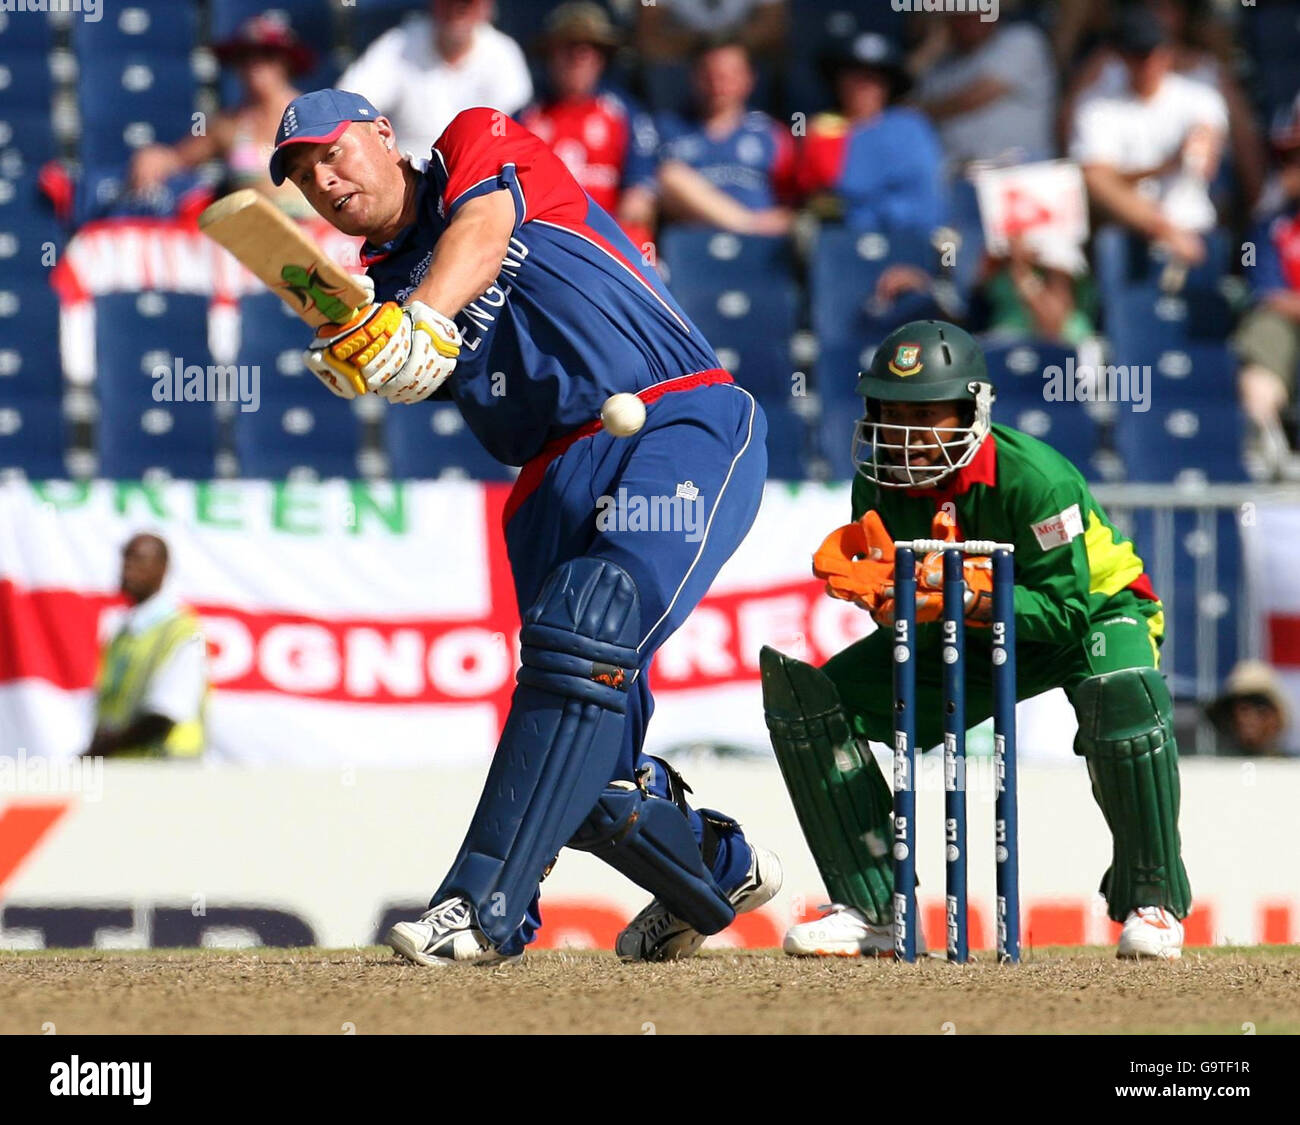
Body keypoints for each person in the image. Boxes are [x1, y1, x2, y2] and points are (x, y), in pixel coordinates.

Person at [268, 89, 779, 965]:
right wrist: (373, 353)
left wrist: (420, 321)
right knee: (581, 768)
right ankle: (717, 867)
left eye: (333, 150)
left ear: (384, 136)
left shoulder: (476, 139)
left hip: (675, 416)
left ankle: (478, 906)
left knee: (593, 619)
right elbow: (425, 373)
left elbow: (482, 229)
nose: (324, 176)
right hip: (549, 475)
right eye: (303, 172)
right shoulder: (386, 288)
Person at [762, 320, 1191, 961]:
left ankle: (1151, 901)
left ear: (972, 411)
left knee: (1123, 693)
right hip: (964, 630)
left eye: (925, 414)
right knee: (810, 701)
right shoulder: (877, 480)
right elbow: (906, 605)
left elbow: (1065, 612)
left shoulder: (1035, 479)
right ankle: (876, 910)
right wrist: (887, 599)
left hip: (1092, 617)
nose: (904, 435)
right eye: (891, 413)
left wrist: (965, 592)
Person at [1068, 6, 1227, 269]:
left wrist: (1194, 151)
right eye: (1138, 55)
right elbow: (1096, 179)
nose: (1149, 62)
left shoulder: (1201, 98)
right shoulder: (1096, 108)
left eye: (1155, 52)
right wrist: (1162, 223)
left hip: (1195, 228)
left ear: (1168, 51)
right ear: (1121, 57)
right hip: (1127, 236)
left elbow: (1203, 162)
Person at [126, 12, 314, 217]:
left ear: (285, 61)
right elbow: (178, 157)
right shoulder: (227, 124)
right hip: (252, 234)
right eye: (244, 57)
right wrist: (151, 157)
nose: (254, 65)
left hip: (315, 231)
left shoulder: (313, 114)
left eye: (266, 55)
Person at [519, 3, 658, 253]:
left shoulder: (626, 113)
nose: (578, 57)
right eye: (567, 47)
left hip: (608, 246)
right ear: (549, 54)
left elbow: (639, 201)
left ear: (602, 58)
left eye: (589, 48)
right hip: (541, 246)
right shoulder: (524, 119)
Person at [337, 0, 532, 165]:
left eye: (466, 3)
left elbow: (515, 131)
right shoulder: (399, 45)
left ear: (485, 6)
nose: (456, 10)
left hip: (478, 175)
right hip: (409, 175)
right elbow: (347, 103)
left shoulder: (503, 54)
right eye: (449, 1)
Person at [797, 34, 944, 235]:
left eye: (873, 79)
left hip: (903, 242)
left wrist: (857, 210)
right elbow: (811, 198)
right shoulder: (822, 129)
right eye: (854, 77)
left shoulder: (909, 128)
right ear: (838, 82)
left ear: (888, 86)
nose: (863, 87)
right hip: (837, 245)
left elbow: (926, 205)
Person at [653, 37, 796, 236]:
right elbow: (654, 192)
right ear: (693, 77)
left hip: (765, 251)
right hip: (693, 245)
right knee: (670, 175)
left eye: (728, 75)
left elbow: (793, 198)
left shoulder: (771, 132)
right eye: (709, 75)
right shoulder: (666, 129)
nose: (717, 84)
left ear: (749, 78)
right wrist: (749, 224)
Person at [84, 534, 208, 759]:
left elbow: (164, 715)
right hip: (126, 769)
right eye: (126, 558)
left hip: (165, 771)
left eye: (139, 559)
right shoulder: (122, 633)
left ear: (162, 569)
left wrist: (102, 751)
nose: (128, 567)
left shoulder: (181, 632)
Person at [1233, 93, 1300, 475]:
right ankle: (1265, 437)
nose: (1291, 168)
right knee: (1263, 330)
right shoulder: (1268, 226)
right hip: (1289, 328)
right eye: (1288, 159)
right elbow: (1267, 295)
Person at [912, 10, 1058, 174]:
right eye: (960, 15)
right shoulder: (939, 65)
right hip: (960, 175)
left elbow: (971, 99)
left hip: (1024, 171)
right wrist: (929, 50)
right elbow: (897, 103)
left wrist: (918, 111)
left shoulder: (1021, 39)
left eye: (979, 12)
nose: (971, 20)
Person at [635, 0, 786, 64]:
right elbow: (647, 35)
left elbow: (773, 27)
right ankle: (666, 127)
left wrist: (725, 45)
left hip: (741, 55)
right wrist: (701, 44)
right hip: (681, 59)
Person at [1206, 661, 1292, 757]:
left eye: (1260, 706)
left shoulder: (1292, 767)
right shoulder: (1209, 765)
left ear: (1276, 717)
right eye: (1243, 709)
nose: (1249, 718)